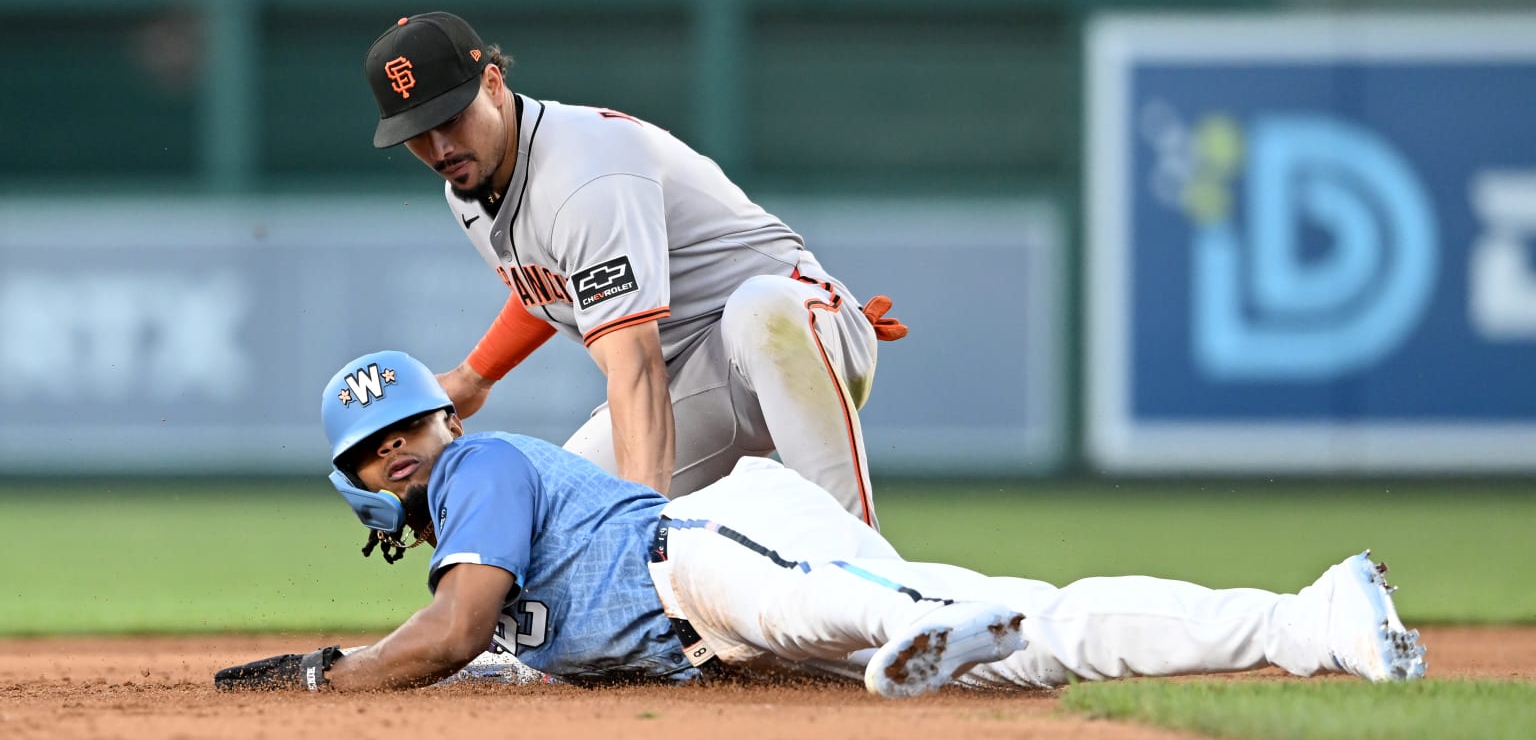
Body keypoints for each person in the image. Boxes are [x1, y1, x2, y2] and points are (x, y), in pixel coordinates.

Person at [214, 351, 1427, 695]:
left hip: (706, 551)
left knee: (846, 603)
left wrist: (334, 675)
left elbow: (450, 630)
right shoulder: (475, 554)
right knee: (1047, 640)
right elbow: (490, 644)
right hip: (730, 632)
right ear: (357, 479)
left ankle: (924, 623)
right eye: (380, 444)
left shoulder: (474, 470)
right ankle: (1316, 620)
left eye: (415, 422)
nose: (408, 445)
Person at [361, 11, 907, 527]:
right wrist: (476, 375)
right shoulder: (469, 185)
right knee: (553, 523)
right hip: (695, 381)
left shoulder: (583, 172)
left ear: (495, 83)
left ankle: (867, 574)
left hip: (797, 332)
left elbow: (636, 367)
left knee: (758, 312)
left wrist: (640, 524)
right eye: (418, 130)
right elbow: (560, 281)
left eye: (451, 117)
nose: (440, 146)